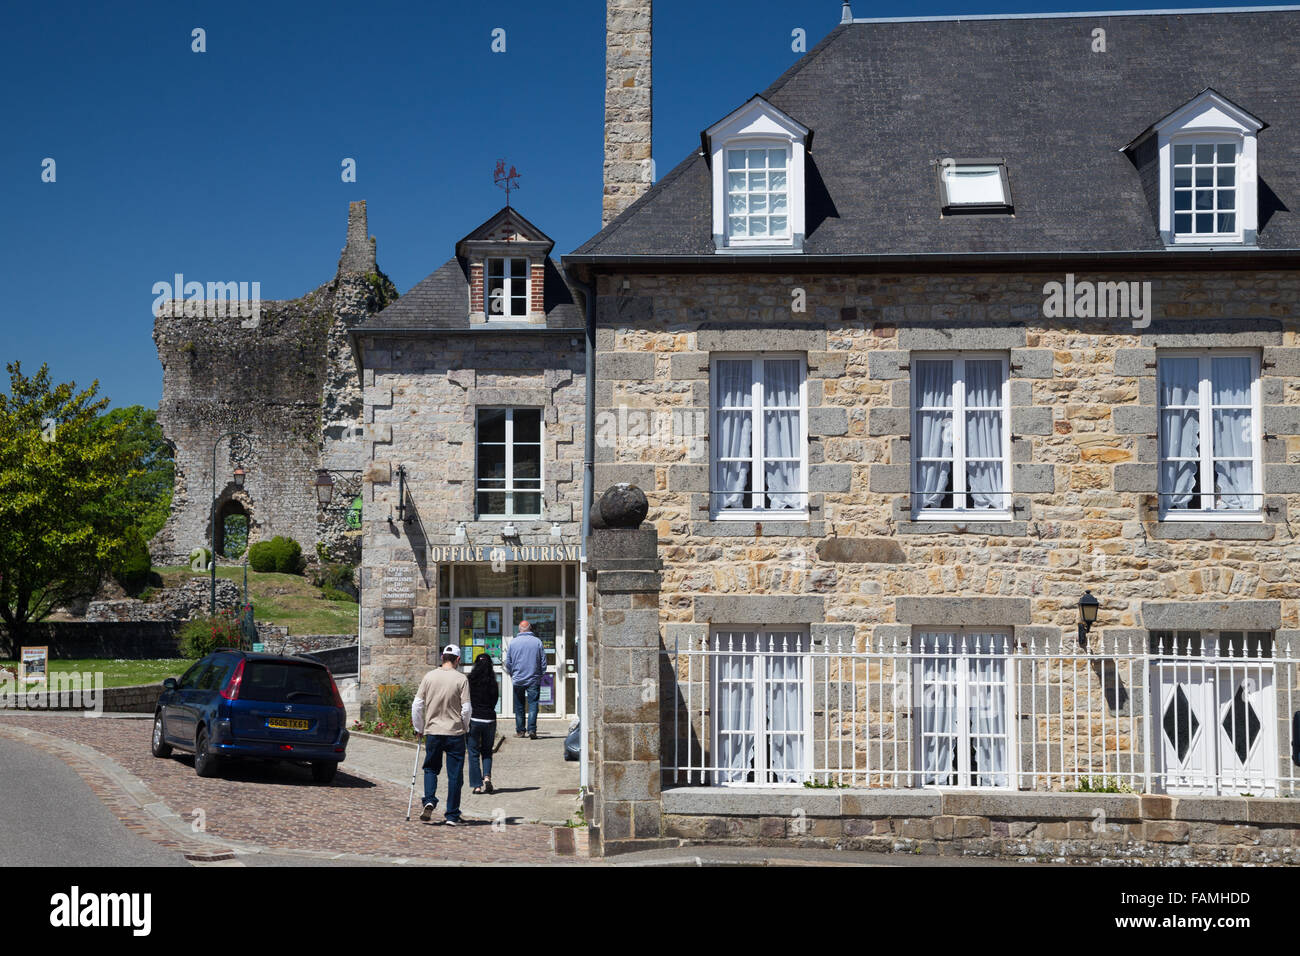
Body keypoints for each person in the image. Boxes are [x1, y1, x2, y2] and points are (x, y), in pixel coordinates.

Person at [411, 645, 472, 826]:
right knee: (455, 775)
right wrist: (465, 727)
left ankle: (429, 799)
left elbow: (417, 704)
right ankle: (452, 815)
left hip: (434, 731)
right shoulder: (461, 679)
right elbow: (467, 708)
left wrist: (419, 727)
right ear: (458, 660)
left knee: (430, 768)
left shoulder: (429, 677)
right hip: (454, 732)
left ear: (442, 657)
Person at [505, 620, 546, 739]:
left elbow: (509, 663)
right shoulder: (537, 642)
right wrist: (540, 674)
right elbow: (543, 661)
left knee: (519, 706)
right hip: (533, 679)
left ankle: (520, 731)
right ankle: (532, 730)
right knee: (533, 704)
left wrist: (512, 674)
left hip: (518, 679)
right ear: (530, 628)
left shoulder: (513, 643)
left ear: (519, 630)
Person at [466, 652, 499, 794]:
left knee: (473, 752)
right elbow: (494, 700)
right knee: (487, 751)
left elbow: (466, 701)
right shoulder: (493, 681)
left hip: (474, 719)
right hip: (489, 719)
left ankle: (477, 785)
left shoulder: (470, 681)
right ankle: (486, 777)